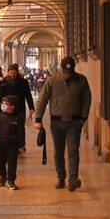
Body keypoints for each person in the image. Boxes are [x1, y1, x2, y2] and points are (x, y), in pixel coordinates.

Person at [34, 55, 92, 192]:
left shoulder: (81, 80)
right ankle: (61, 178)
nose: (68, 74)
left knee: (73, 151)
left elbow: (87, 99)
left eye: (70, 71)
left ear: (74, 68)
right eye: (66, 72)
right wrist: (38, 118)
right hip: (57, 122)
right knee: (58, 152)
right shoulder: (52, 81)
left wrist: (83, 118)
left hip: (74, 122)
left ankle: (72, 180)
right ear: (61, 69)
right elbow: (42, 99)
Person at [0, 93, 23, 190]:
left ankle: (11, 180)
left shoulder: (17, 117)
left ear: (13, 106)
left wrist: (21, 143)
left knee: (12, 163)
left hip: (13, 144)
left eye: (7, 104)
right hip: (0, 142)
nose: (5, 106)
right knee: (0, 162)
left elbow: (21, 131)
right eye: (4, 103)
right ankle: (3, 177)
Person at [0, 64, 33, 156]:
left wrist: (31, 107)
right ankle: (9, 146)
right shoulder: (4, 82)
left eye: (14, 72)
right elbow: (0, 96)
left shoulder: (23, 82)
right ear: (8, 72)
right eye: (11, 73)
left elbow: (28, 95)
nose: (12, 74)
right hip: (7, 108)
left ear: (17, 72)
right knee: (7, 126)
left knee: (20, 127)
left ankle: (21, 145)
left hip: (20, 108)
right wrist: (0, 108)